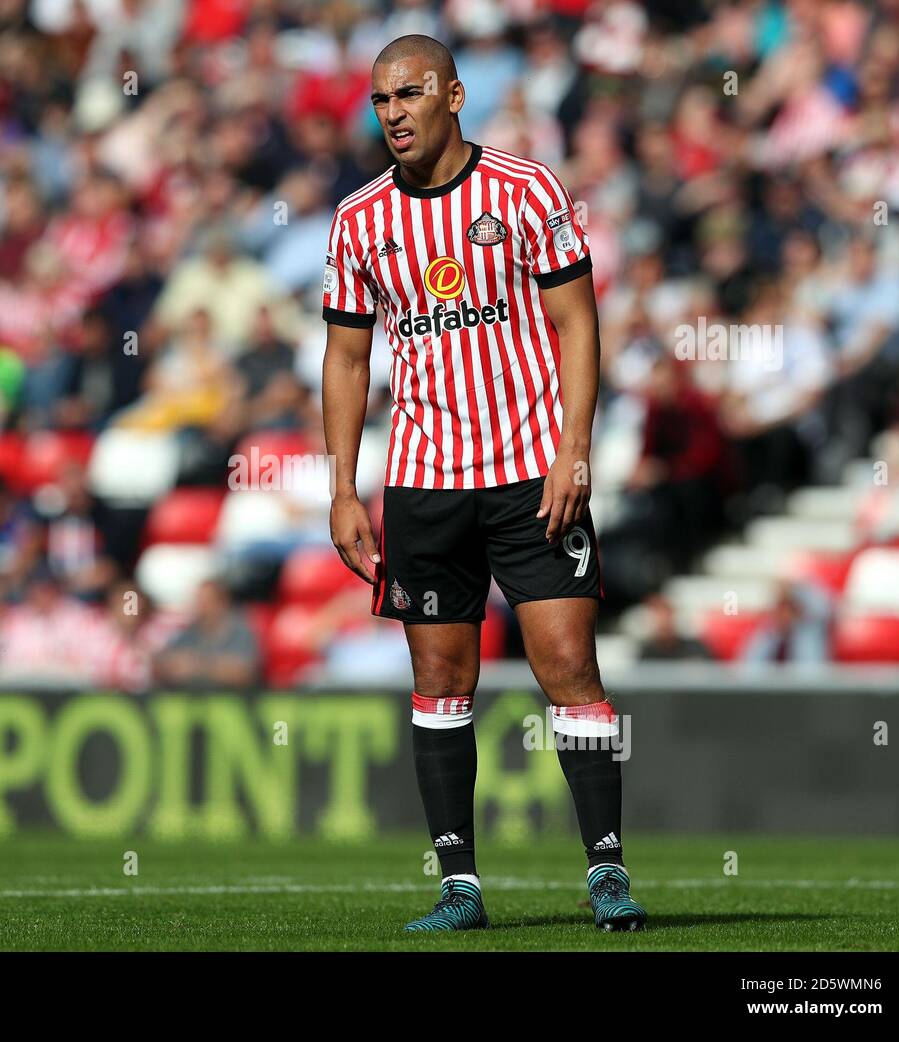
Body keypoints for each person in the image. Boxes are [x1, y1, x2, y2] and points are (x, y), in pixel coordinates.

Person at [320, 35, 644, 932]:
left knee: (570, 665)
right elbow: (346, 359)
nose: (392, 112)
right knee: (438, 676)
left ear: (455, 95)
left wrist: (576, 445)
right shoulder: (358, 221)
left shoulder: (526, 191)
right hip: (423, 481)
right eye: (380, 98)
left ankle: (606, 872)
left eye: (410, 93)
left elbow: (578, 322)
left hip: (532, 473)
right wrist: (344, 487)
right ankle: (459, 884)